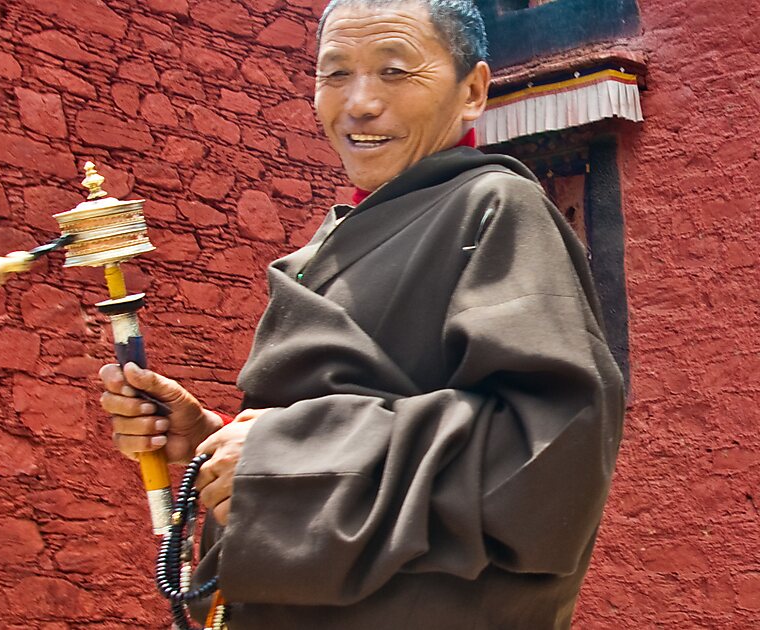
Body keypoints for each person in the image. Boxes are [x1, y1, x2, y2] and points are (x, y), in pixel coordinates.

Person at [99, 0, 625, 627]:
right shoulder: (336, 239)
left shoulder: (496, 208)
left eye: (395, 71)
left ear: (473, 90)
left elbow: (549, 453)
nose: (360, 103)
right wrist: (211, 438)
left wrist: (283, 459)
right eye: (335, 73)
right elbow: (350, 408)